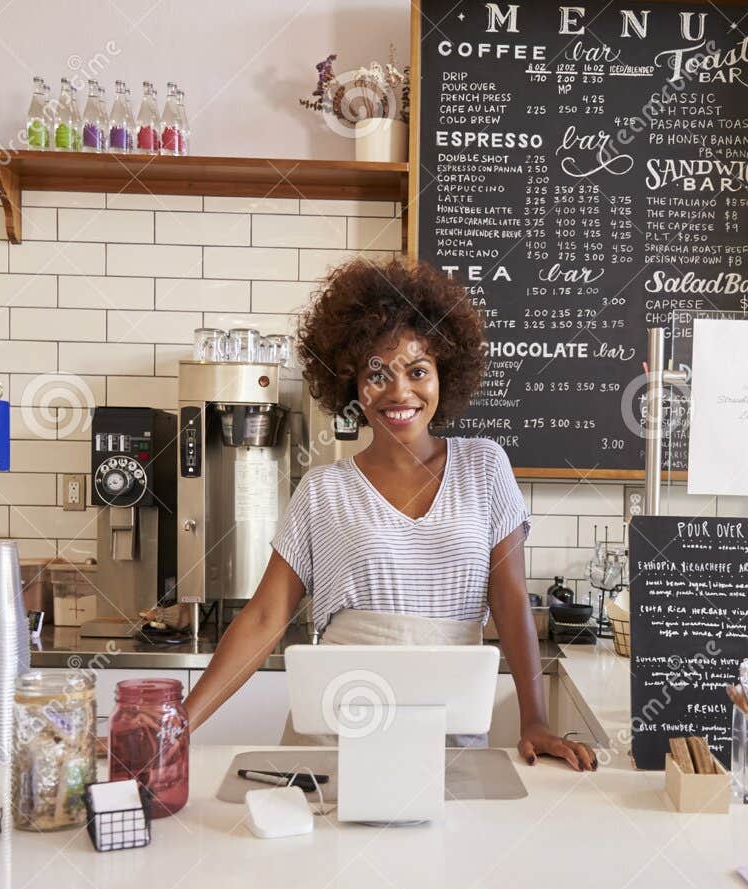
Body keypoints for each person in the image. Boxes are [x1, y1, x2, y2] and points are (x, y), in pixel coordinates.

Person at [184, 258, 596, 771]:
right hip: (335, 737)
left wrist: (535, 719)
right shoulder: (323, 490)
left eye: (418, 371)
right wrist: (179, 725)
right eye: (377, 374)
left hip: (447, 733)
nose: (400, 392)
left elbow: (510, 600)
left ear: (446, 375)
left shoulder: (485, 466)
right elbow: (266, 616)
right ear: (351, 383)